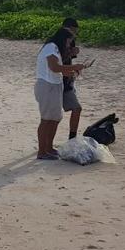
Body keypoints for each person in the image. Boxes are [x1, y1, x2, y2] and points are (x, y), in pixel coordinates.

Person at [35, 27, 85, 160]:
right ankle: (42, 151)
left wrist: (71, 72)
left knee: (55, 118)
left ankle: (49, 147)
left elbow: (58, 70)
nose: (69, 45)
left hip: (55, 85)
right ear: (63, 39)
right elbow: (54, 67)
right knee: (46, 119)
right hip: (46, 86)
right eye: (69, 42)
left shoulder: (56, 49)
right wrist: (74, 67)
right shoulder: (51, 47)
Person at [61, 17, 83, 139]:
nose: (74, 34)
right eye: (73, 31)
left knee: (77, 108)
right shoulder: (57, 42)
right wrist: (70, 53)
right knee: (52, 117)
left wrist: (75, 69)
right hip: (57, 82)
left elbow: (68, 62)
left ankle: (72, 138)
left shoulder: (72, 40)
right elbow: (56, 64)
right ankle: (46, 145)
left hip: (68, 81)